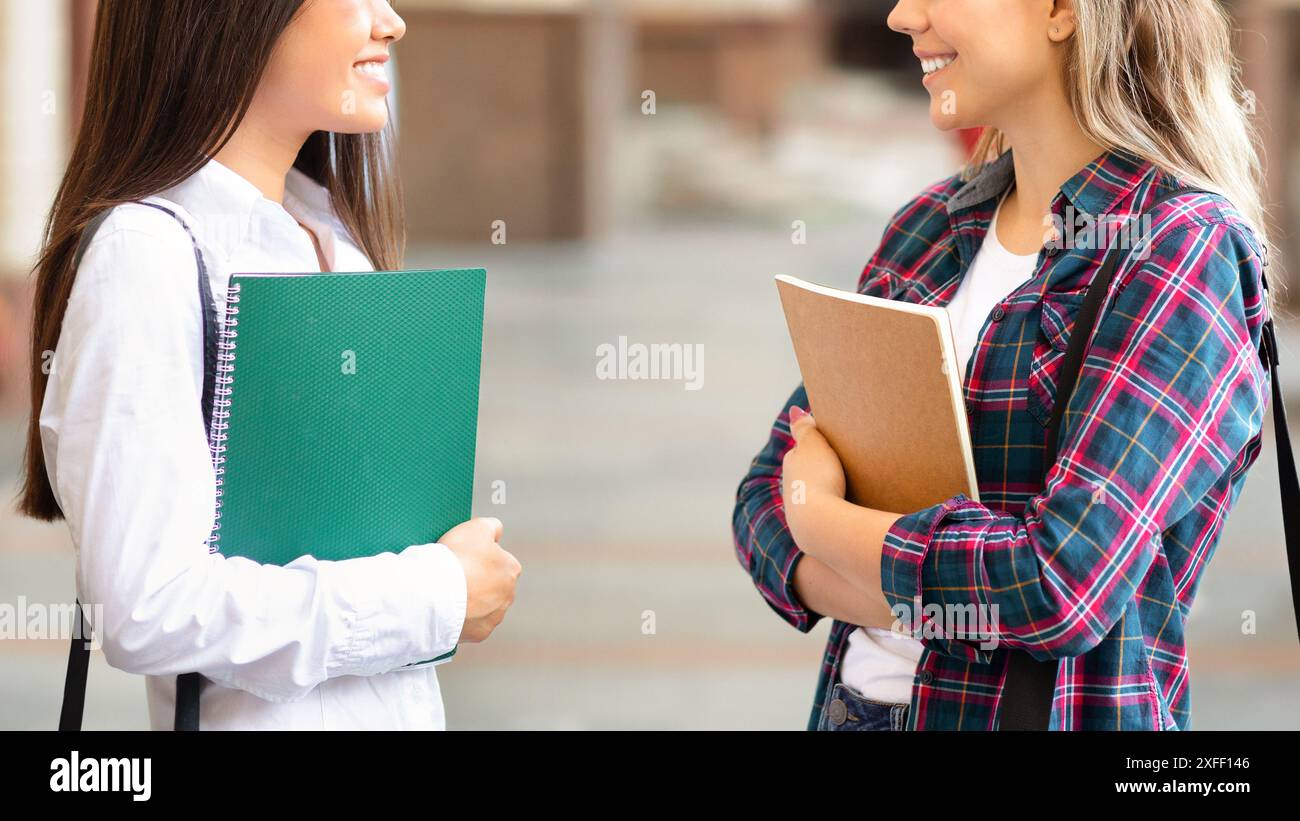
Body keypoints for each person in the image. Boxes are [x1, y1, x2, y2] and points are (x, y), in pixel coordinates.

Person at [732, 0, 1277, 730]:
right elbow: (761, 503)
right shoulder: (927, 229)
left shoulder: (1180, 251)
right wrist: (941, 593)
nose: (901, 17)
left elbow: (1061, 583)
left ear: (1060, 11)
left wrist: (828, 525)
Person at [20, 0, 520, 730]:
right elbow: (144, 605)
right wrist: (433, 595)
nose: (391, 22)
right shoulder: (147, 256)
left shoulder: (330, 238)